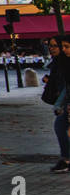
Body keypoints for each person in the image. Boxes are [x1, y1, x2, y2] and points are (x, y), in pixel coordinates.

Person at [45, 36, 70, 173]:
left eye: (56, 46)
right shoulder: (59, 63)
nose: (52, 48)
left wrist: (59, 105)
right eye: (50, 45)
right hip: (65, 101)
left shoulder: (64, 63)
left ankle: (66, 159)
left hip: (66, 102)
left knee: (60, 126)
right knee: (62, 128)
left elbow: (67, 87)